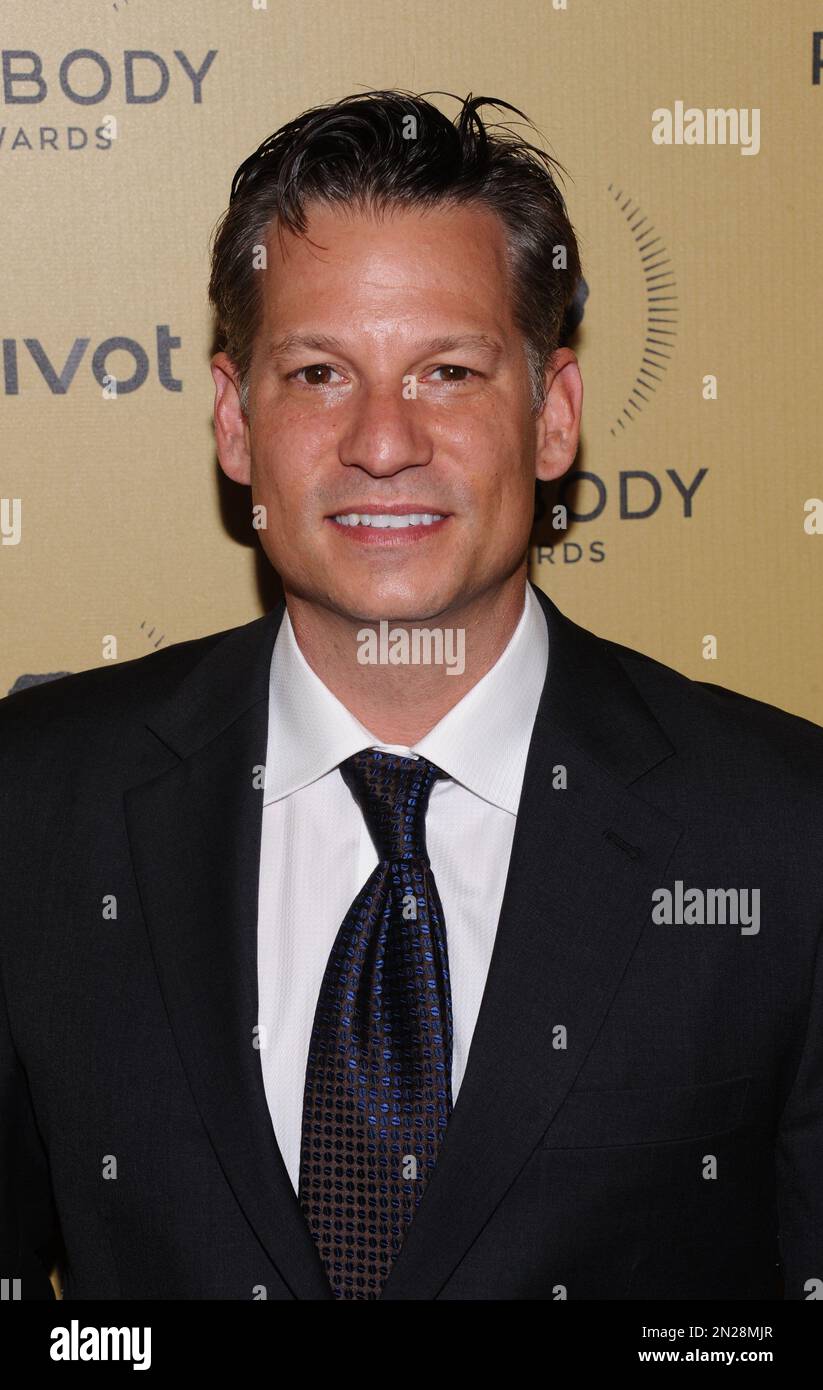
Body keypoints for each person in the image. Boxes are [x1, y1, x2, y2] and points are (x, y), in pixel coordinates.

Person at [1, 89, 821, 1302]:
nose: (383, 441)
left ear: (552, 417)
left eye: (447, 370)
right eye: (321, 371)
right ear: (235, 420)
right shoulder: (35, 806)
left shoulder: (782, 829)